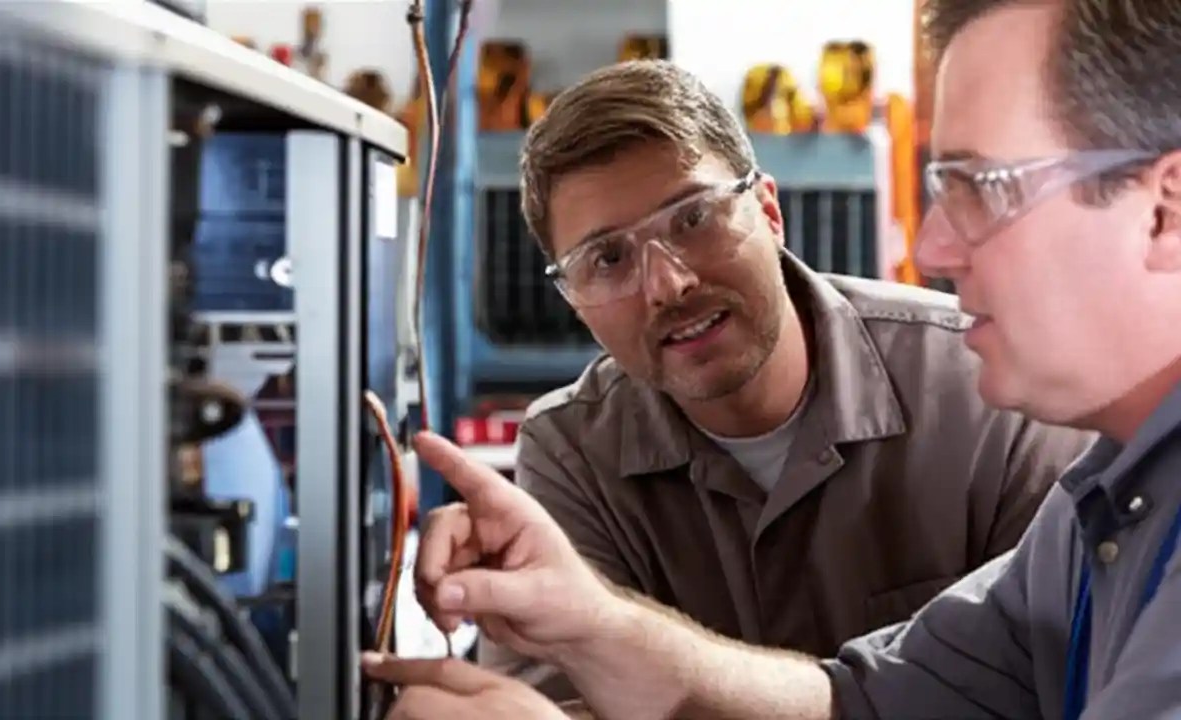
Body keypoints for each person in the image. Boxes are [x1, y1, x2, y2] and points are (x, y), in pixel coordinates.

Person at [364, 0, 1181, 717]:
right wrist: (595, 624)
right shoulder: (1105, 512)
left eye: (984, 186)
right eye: (607, 260)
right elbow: (864, 702)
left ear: (1164, 208)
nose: (932, 245)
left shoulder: (993, 398)